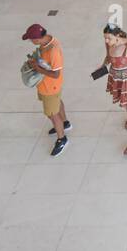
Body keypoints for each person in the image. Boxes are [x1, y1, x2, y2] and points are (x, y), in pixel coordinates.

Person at [24, 23, 71, 156]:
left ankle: (62, 138)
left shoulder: (53, 51)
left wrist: (38, 68)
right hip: (47, 85)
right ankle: (65, 123)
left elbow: (56, 74)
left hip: (50, 87)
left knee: (51, 113)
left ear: (37, 39)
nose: (31, 41)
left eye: (31, 39)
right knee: (57, 102)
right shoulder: (48, 42)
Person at [100, 24, 127, 156]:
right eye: (105, 38)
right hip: (117, 79)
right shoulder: (109, 44)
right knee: (126, 105)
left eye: (109, 38)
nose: (106, 41)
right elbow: (108, 58)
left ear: (117, 36)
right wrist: (101, 68)